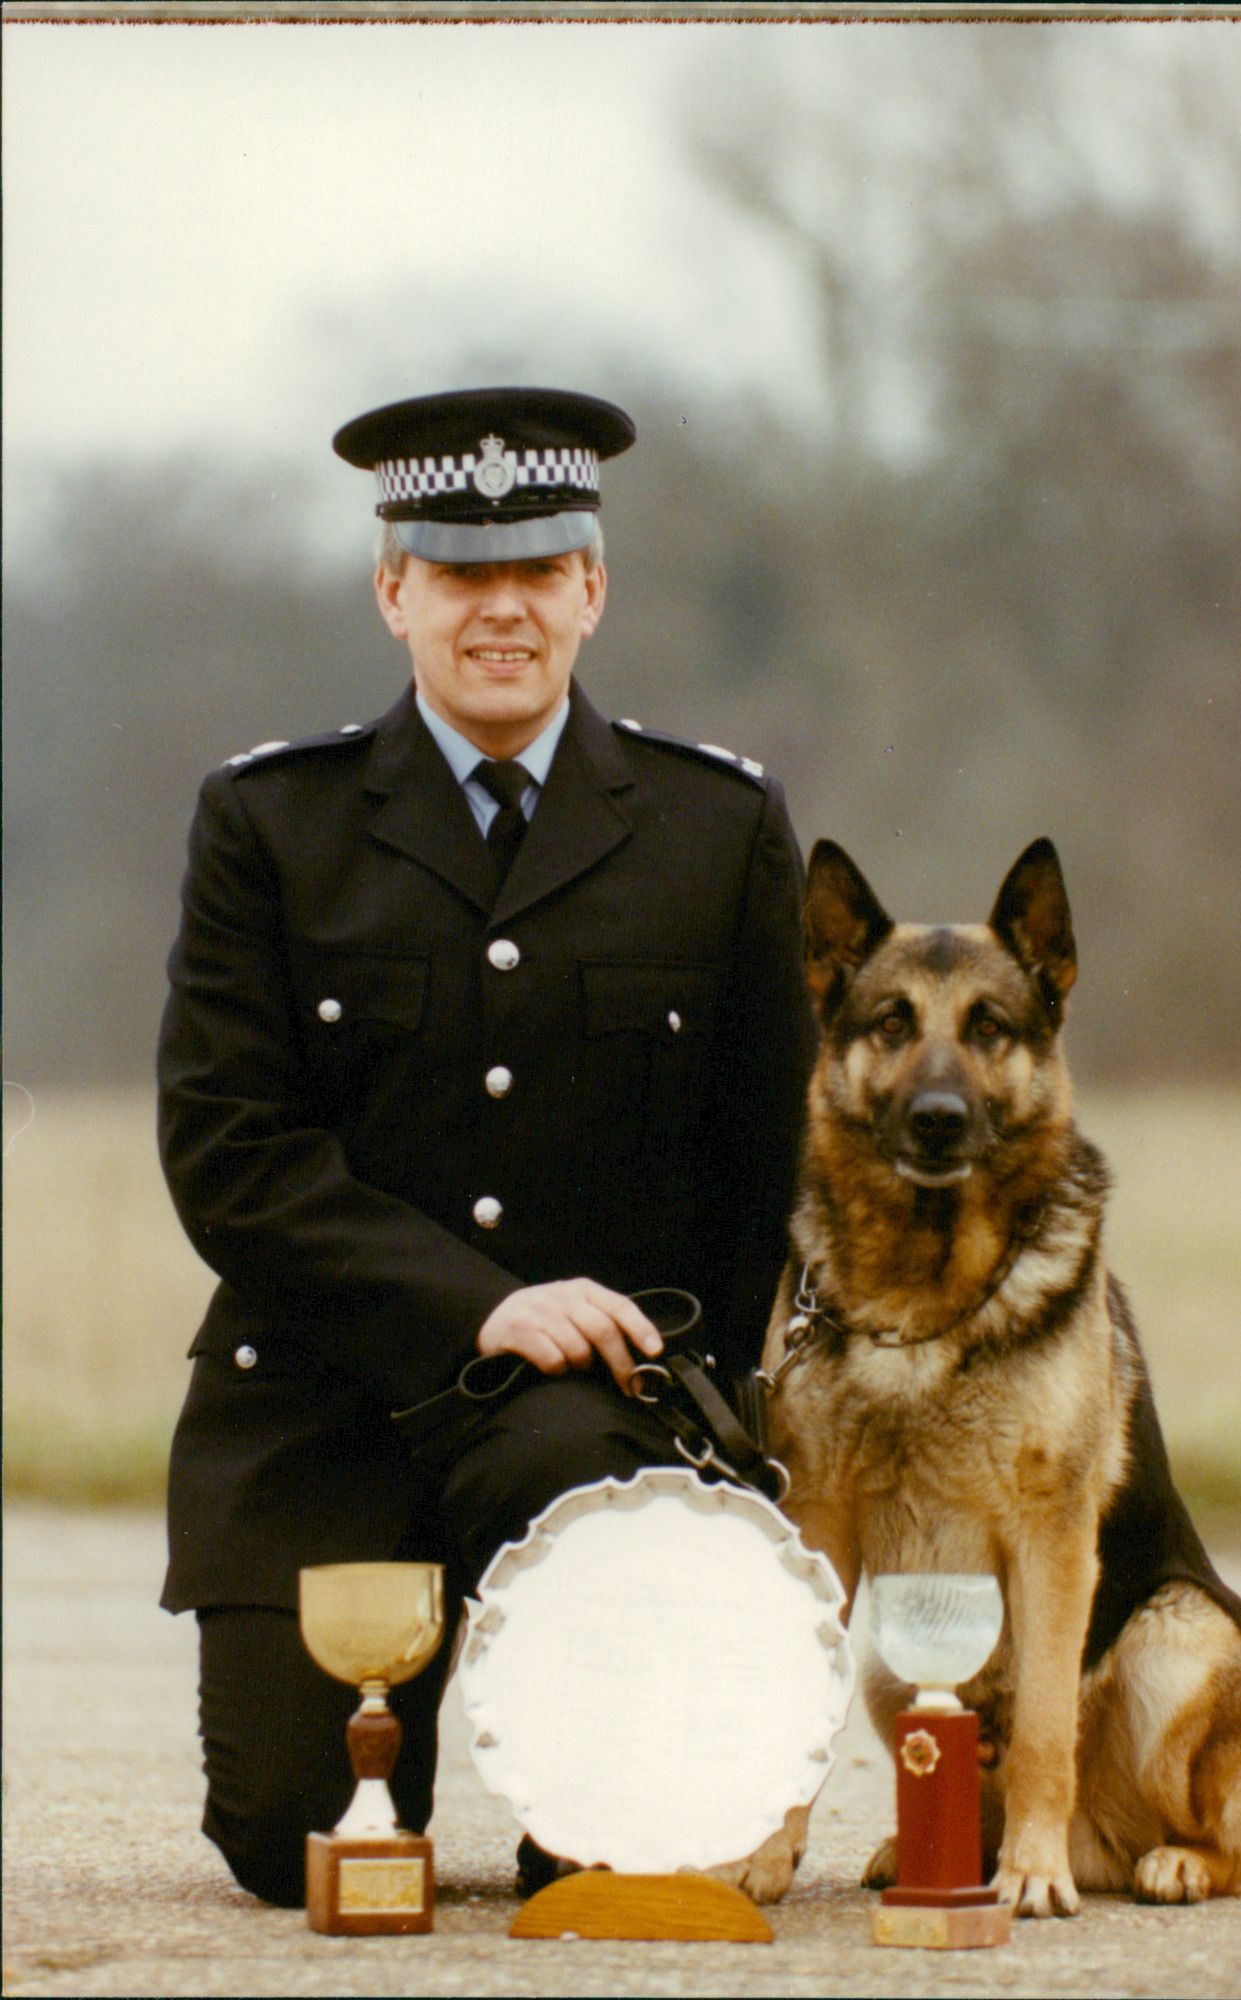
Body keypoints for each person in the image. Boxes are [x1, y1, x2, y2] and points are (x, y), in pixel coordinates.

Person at [156, 386, 815, 1907]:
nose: (500, 608)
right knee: (292, 1845)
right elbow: (228, 1149)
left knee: (602, 1849)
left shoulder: (721, 831)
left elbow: (749, 1169)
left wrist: (695, 1414)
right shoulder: (271, 822)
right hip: (320, 1411)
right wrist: (474, 1305)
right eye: (458, 572)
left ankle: (591, 1743)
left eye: (540, 570)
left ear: (596, 587)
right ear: (394, 592)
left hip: (578, 1436)